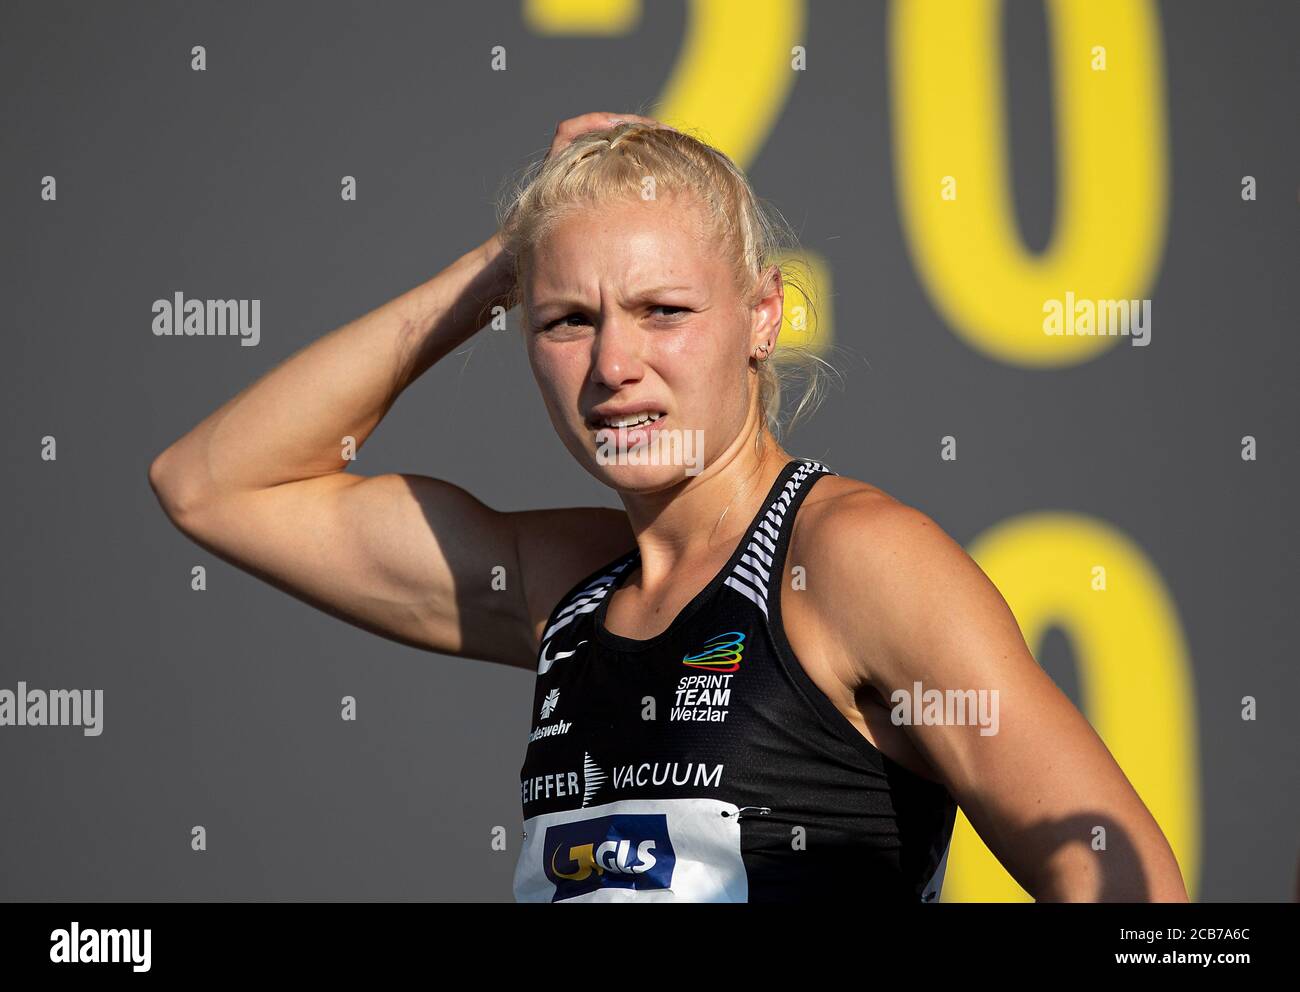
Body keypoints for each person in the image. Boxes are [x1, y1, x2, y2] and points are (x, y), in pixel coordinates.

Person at [149, 111, 1189, 903]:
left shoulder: (857, 560)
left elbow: (1138, 897)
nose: (614, 365)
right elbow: (213, 482)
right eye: (565, 319)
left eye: (663, 310)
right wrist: (501, 264)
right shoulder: (564, 585)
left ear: (762, 315)